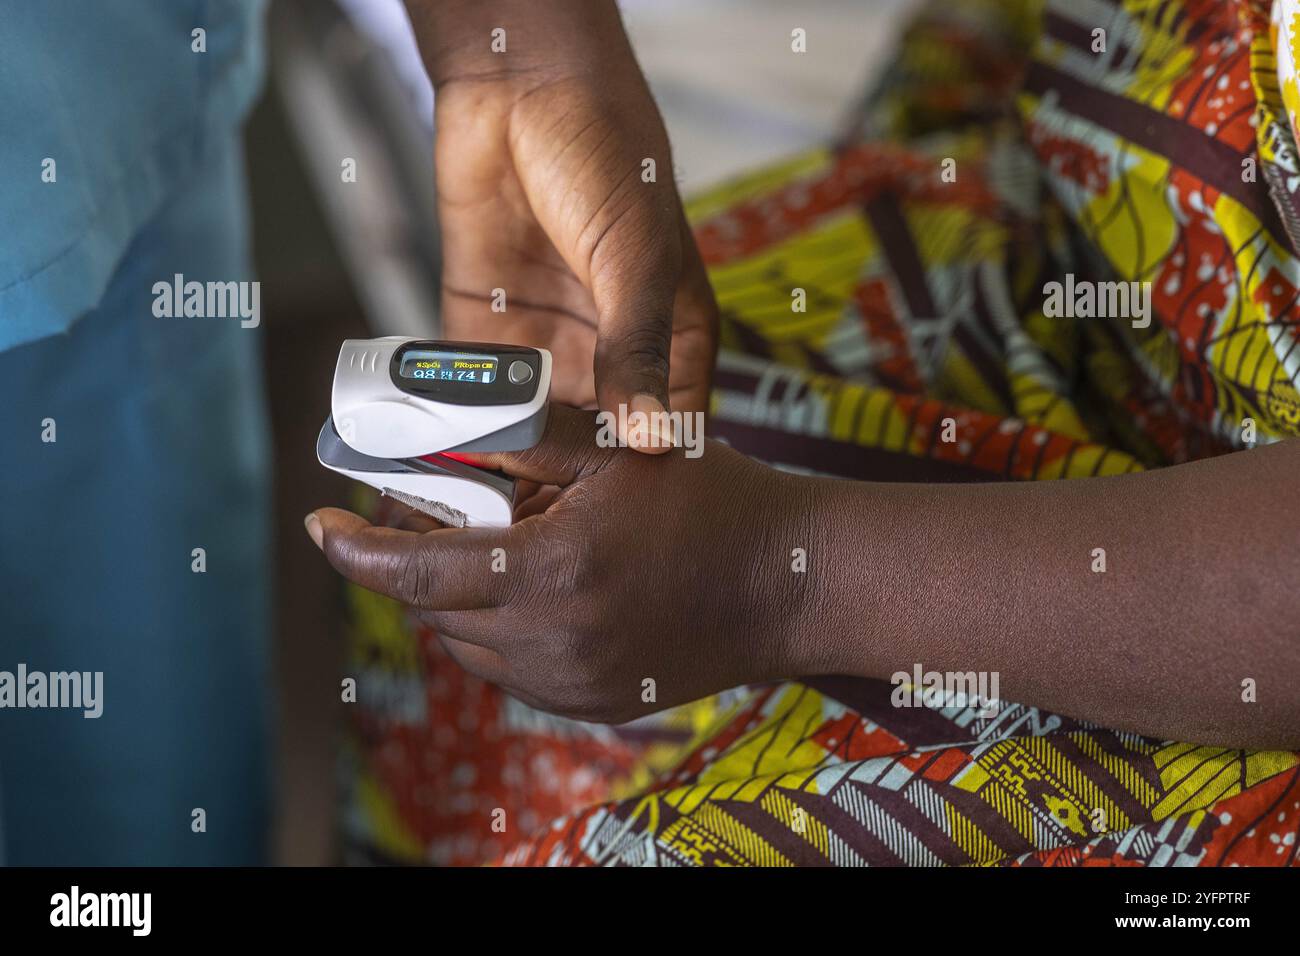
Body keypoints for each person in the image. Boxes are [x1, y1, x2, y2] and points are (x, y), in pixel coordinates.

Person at [309, 0, 1300, 865]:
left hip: (1236, 617)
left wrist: (781, 573)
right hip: (1101, 218)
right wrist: (518, 59)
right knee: (480, 542)